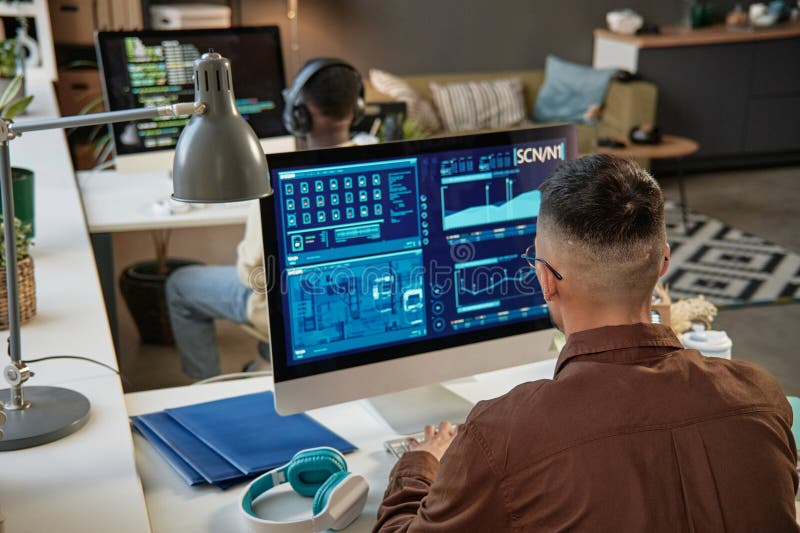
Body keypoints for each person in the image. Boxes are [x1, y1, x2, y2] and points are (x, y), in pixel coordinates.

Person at [375, 155, 798, 531]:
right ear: (663, 263)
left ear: (546, 280)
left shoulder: (502, 437)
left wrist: (419, 464)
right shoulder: (760, 397)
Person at [166, 59, 365, 380]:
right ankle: (264, 360)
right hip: (358, 307)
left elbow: (250, 273)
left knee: (179, 284)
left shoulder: (279, 179)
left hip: (289, 313)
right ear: (357, 109)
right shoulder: (379, 166)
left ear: (298, 115)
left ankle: (208, 386)